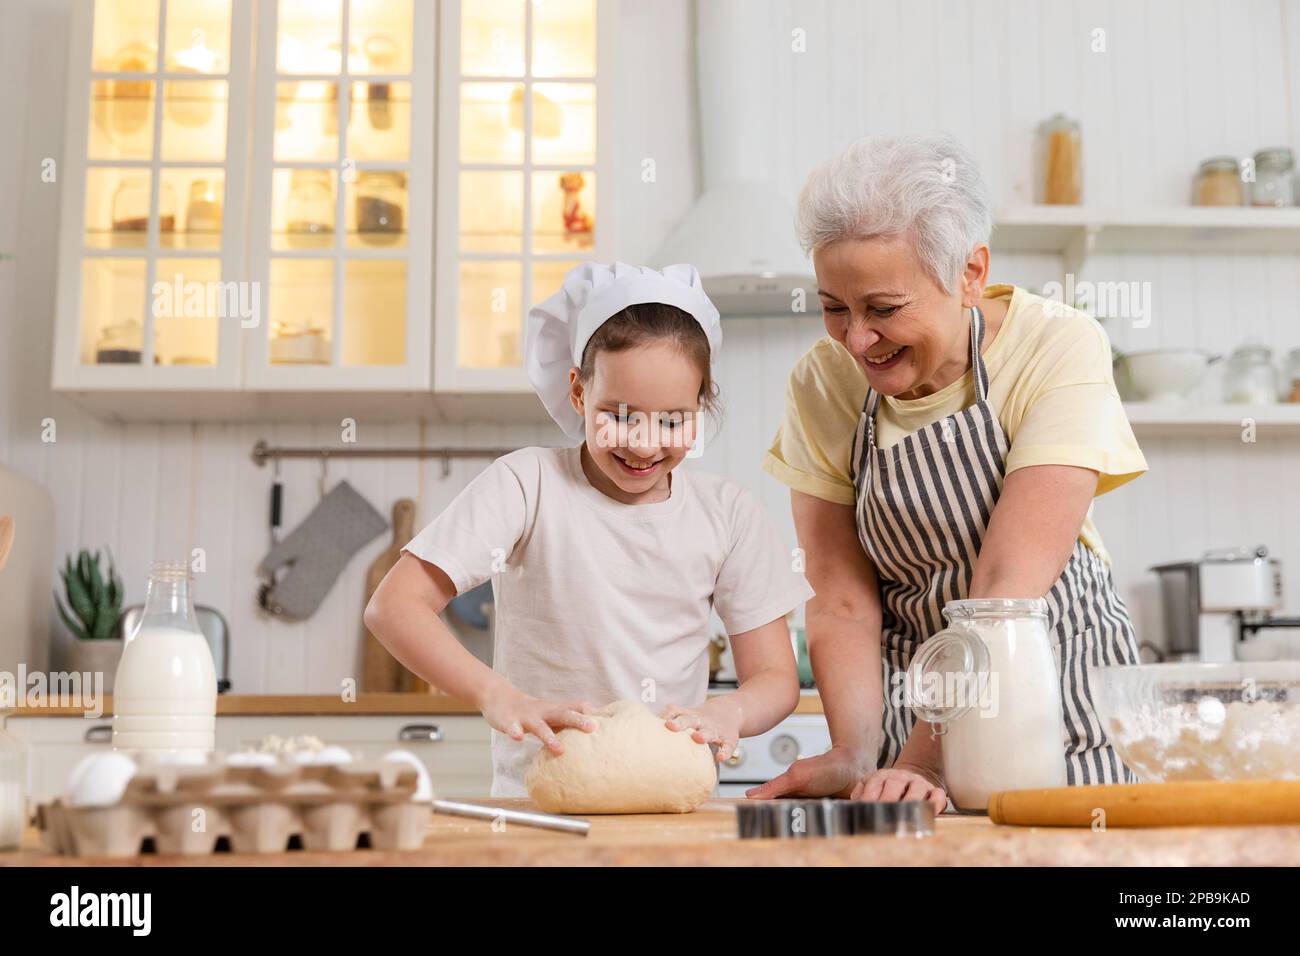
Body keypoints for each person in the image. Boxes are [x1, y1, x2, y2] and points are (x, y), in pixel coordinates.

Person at [753, 134, 1148, 811]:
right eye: (833, 307)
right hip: (909, 723)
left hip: (1059, 713)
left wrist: (929, 762)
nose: (855, 340)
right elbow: (842, 599)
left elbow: (1005, 591)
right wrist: (856, 755)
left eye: (882, 308)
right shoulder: (824, 384)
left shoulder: (1056, 346)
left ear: (970, 274)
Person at [365, 262, 814, 796]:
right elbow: (394, 606)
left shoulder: (728, 512)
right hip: (539, 805)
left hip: (669, 804)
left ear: (700, 403)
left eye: (673, 419)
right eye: (620, 415)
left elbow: (775, 679)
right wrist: (497, 694)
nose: (645, 444)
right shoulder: (526, 484)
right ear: (578, 392)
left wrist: (731, 712)